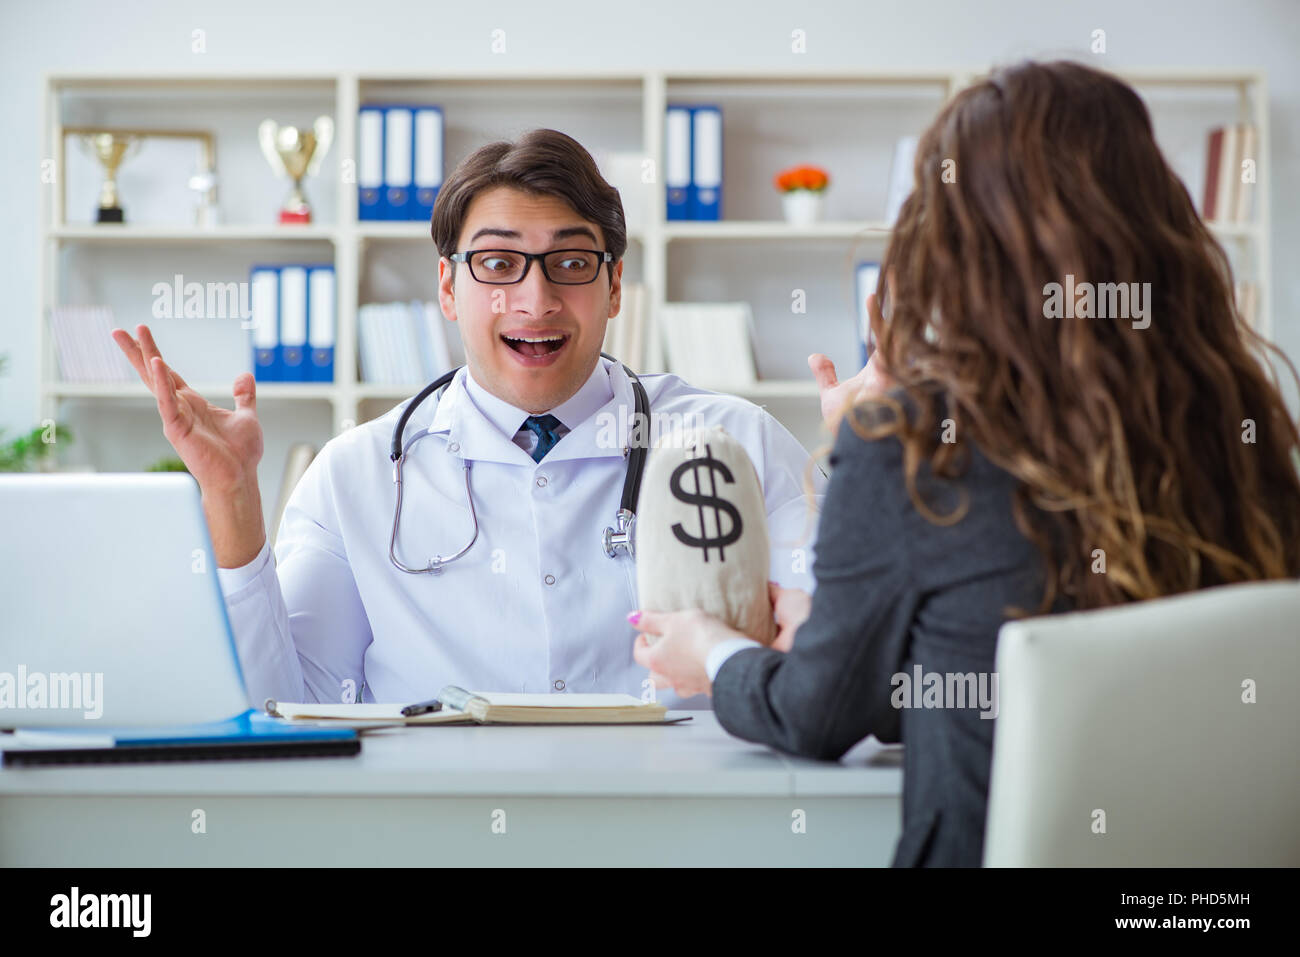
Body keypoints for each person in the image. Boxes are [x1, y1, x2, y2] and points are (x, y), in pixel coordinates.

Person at [630, 60, 1300, 864]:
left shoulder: (916, 441)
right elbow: (1063, 675)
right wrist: (869, 648)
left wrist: (711, 648)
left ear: (956, 241)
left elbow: (815, 717)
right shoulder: (1239, 422)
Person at [111, 128, 837, 710]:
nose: (535, 299)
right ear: (448, 287)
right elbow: (283, 705)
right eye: (497, 264)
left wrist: (872, 462)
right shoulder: (356, 474)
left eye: (572, 263)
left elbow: (837, 663)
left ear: (616, 285)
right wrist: (234, 505)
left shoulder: (735, 444)